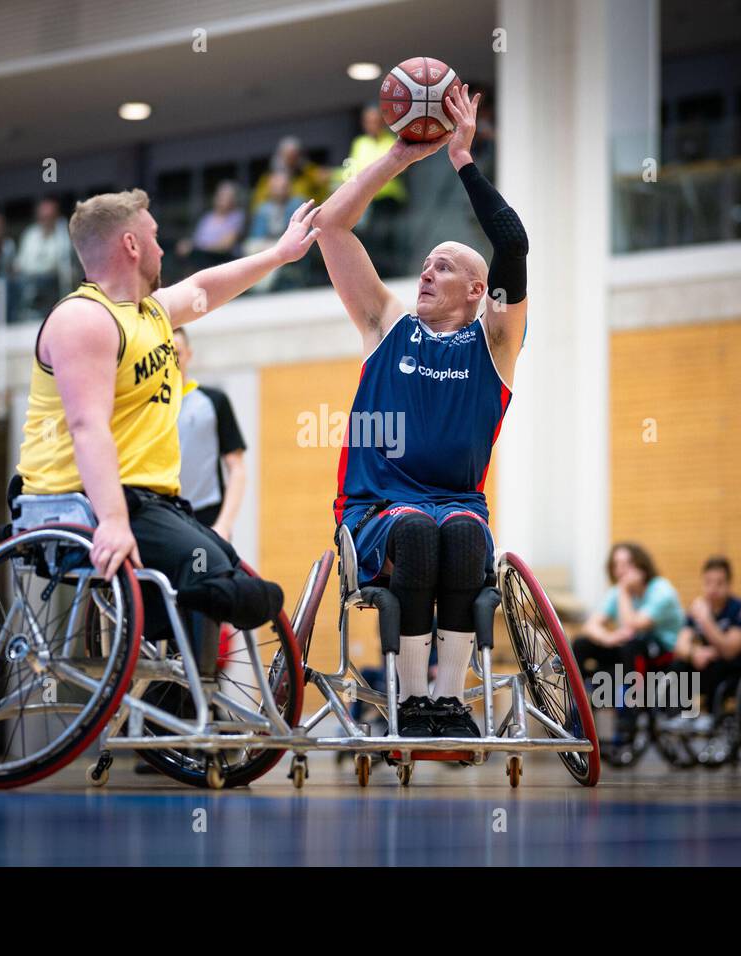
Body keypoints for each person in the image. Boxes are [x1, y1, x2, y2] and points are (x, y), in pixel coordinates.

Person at [15, 188, 318, 679]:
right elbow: (86, 425)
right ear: (132, 245)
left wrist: (280, 254)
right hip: (82, 500)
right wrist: (112, 520)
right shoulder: (83, 319)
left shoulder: (148, 313)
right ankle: (183, 704)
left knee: (222, 567)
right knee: (215, 575)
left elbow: (206, 286)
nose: (163, 249)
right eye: (155, 237)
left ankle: (179, 708)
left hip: (151, 501)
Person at [310, 84, 529, 739]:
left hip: (454, 506)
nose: (426, 273)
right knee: (415, 531)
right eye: (425, 264)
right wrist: (399, 157)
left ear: (476, 291)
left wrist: (463, 159)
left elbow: (513, 246)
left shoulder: (494, 342)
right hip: (376, 512)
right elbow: (330, 225)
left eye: (444, 267)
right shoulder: (386, 323)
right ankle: (409, 700)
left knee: (462, 534)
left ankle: (447, 699)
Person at [575, 542, 684, 751]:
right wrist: (607, 638)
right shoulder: (617, 591)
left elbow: (632, 625)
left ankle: (631, 712)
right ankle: (577, 705)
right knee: (582, 644)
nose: (621, 570)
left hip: (662, 654)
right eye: (616, 565)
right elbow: (591, 625)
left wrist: (624, 590)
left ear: (642, 566)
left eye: (627, 564)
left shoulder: (661, 590)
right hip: (630, 653)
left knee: (632, 644)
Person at [172, 328, 246, 539]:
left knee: (202, 568)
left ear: (188, 354)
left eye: (176, 353)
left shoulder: (213, 402)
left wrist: (223, 524)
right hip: (165, 516)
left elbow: (237, 468)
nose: (172, 360)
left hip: (205, 517)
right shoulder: (149, 407)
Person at [671, 556, 741, 728]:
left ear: (729, 584)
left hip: (735, 668)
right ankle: (684, 713)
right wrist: (694, 653)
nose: (712, 588)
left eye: (719, 583)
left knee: (716, 662)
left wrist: (706, 620)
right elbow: (680, 646)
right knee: (679, 663)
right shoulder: (697, 609)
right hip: (707, 663)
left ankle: (711, 714)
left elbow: (730, 650)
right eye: (708, 582)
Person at [340, 106, 408, 275]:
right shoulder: (359, 143)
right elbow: (354, 169)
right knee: (364, 236)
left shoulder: (392, 141)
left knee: (384, 234)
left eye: (376, 121)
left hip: (388, 198)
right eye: (369, 121)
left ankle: (392, 273)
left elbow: (399, 168)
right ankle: (371, 274)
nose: (373, 124)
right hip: (365, 198)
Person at [177, 181, 246, 269]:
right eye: (220, 195)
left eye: (226, 196)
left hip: (222, 260)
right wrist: (188, 245)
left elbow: (225, 246)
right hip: (202, 258)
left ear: (234, 199)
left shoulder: (237, 216)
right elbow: (197, 239)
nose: (222, 198)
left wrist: (197, 248)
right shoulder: (207, 217)